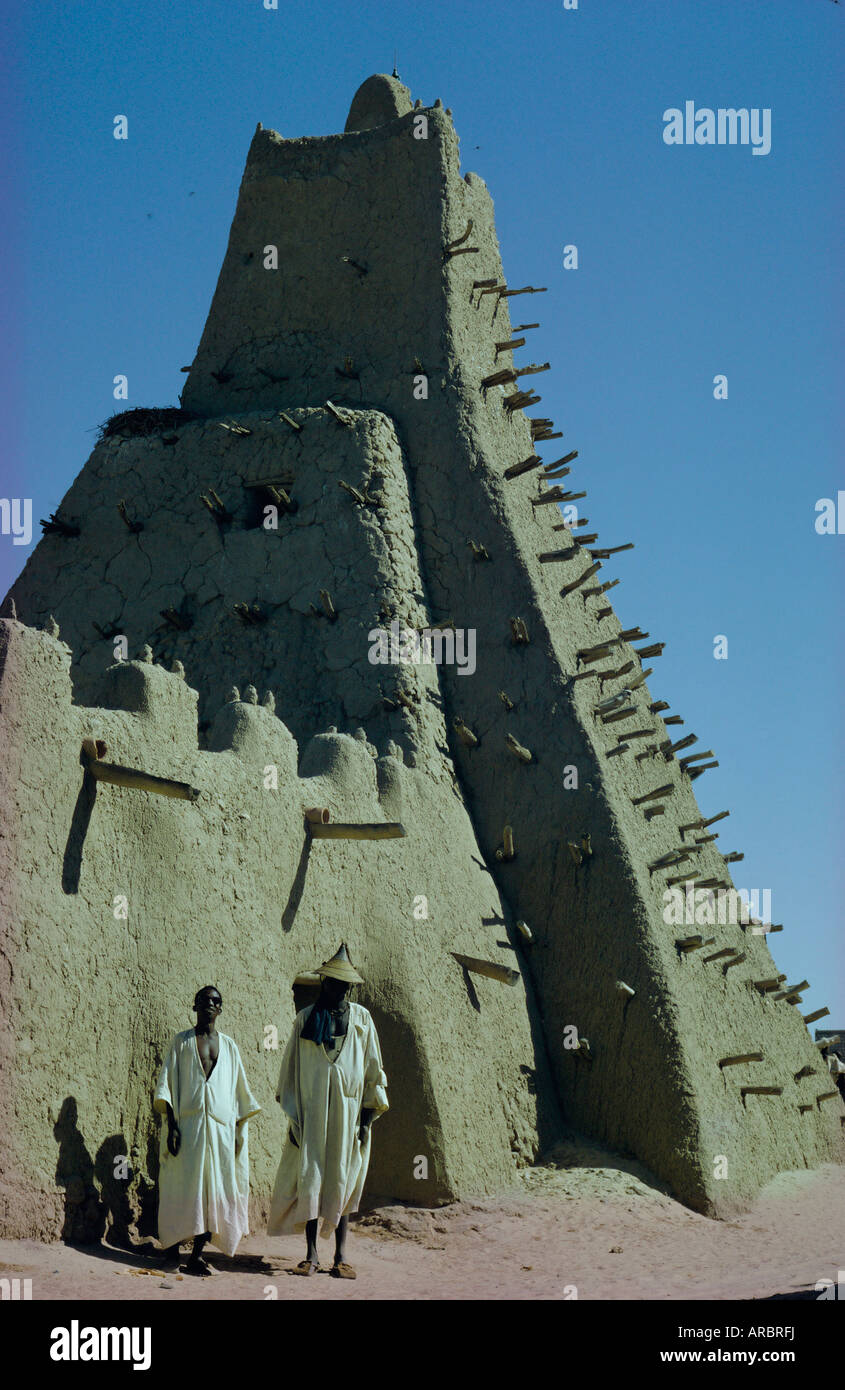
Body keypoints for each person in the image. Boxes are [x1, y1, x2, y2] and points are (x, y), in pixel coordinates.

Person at [267, 944, 388, 1278]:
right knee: (312, 1177)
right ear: (324, 984)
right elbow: (290, 1073)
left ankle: (341, 1256)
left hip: (348, 1117)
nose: (341, 990)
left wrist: (365, 1119)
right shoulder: (306, 1020)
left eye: (345, 985)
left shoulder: (362, 1020)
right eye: (334, 984)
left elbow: (373, 1073)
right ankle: (311, 1254)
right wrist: (295, 1117)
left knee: (342, 1179)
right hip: (312, 1116)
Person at [153, 986, 261, 1275]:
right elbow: (168, 1085)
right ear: (195, 1006)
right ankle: (172, 1249)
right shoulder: (182, 1043)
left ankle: (197, 1255)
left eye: (215, 1001)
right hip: (188, 1129)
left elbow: (241, 1093)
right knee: (179, 1186)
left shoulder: (230, 1047)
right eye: (203, 1001)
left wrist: (239, 1129)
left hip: (220, 1132)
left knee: (214, 1189)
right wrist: (172, 1125)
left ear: (221, 1009)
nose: (209, 1005)